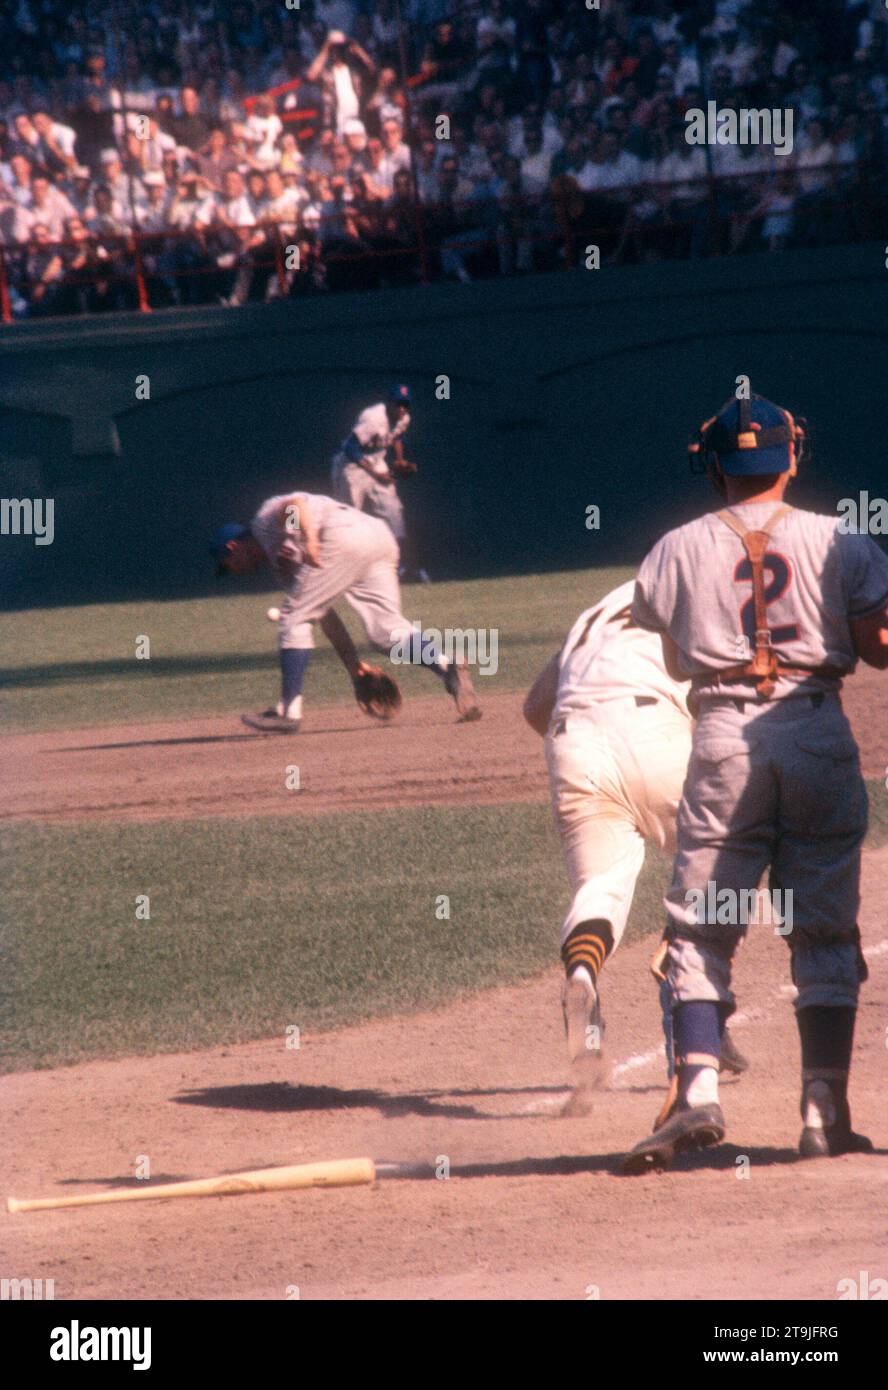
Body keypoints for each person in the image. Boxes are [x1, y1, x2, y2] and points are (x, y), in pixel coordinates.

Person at [618, 391, 888, 1174]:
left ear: (714, 466)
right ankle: (822, 1107)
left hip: (724, 738)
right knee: (824, 927)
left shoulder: (673, 547)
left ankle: (699, 1087)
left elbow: (673, 658)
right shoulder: (843, 537)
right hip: (815, 733)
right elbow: (878, 648)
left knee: (703, 926)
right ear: (791, 456)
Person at [524, 581, 748, 1110]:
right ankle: (682, 966)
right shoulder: (701, 595)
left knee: (600, 886)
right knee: (731, 853)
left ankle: (583, 973)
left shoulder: (595, 613)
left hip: (571, 740)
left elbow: (535, 708)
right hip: (652, 729)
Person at [210, 490, 480, 733]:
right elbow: (327, 618)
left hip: (341, 534)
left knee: (293, 619)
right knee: (384, 631)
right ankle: (447, 668)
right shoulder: (282, 568)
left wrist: (310, 540)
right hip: (377, 537)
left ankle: (288, 711)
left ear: (233, 548)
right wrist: (354, 670)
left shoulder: (263, 525)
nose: (233, 572)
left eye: (228, 565)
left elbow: (294, 506)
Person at [330, 384, 425, 578]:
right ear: (390, 403)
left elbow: (398, 437)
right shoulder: (373, 417)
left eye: (405, 405)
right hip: (351, 467)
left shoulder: (404, 418)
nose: (402, 409)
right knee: (348, 519)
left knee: (393, 512)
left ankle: (402, 566)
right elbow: (350, 447)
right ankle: (342, 567)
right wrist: (375, 474)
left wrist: (399, 460)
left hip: (376, 461)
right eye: (398, 404)